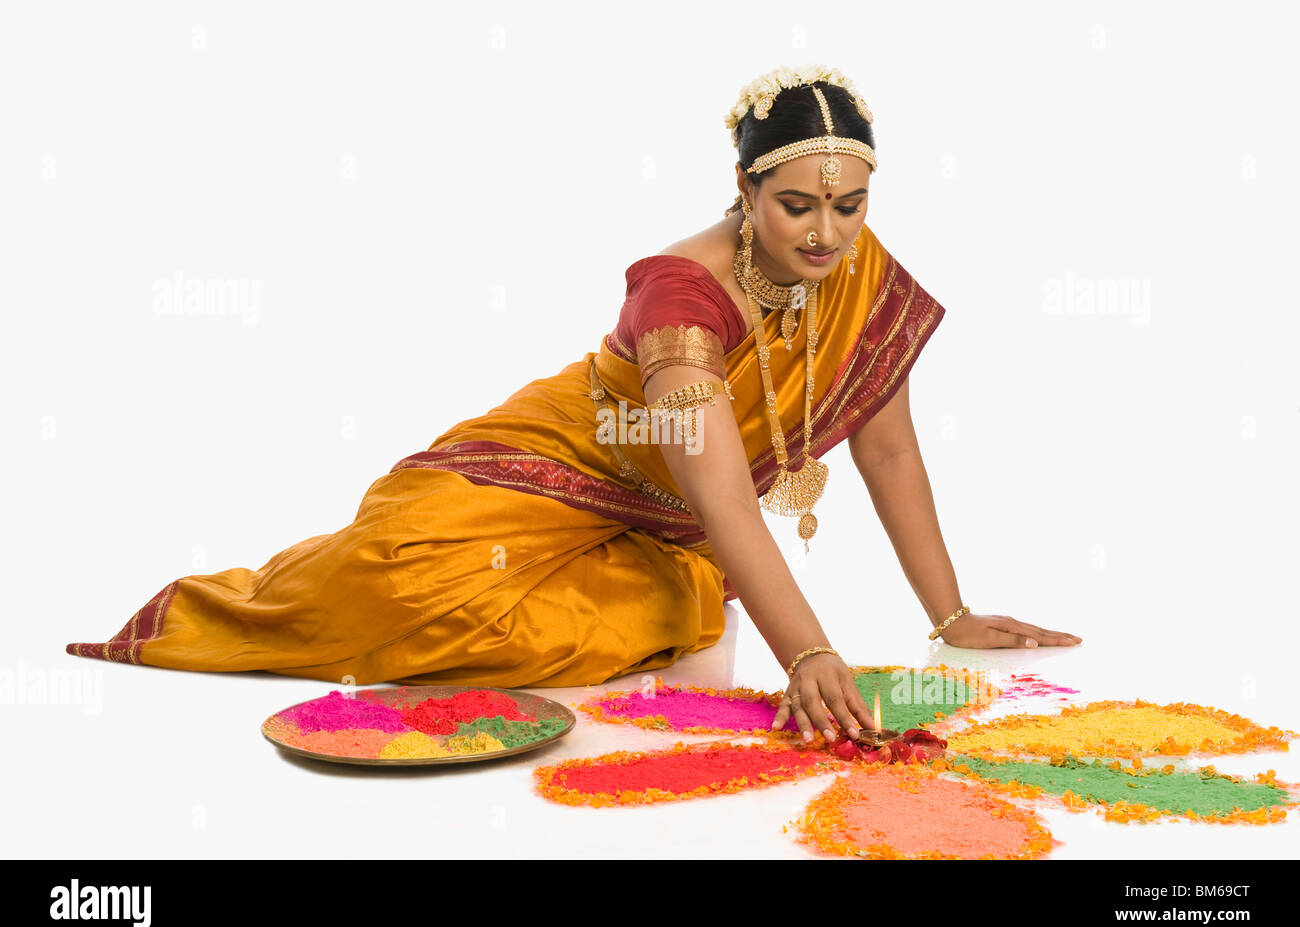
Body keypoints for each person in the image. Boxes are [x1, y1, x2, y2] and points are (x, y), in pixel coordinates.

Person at [66, 64, 1080, 746]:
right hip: (554, 464)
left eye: (848, 208)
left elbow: (889, 452)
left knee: (645, 590)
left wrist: (948, 613)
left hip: (677, 521)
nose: (826, 236)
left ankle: (681, 587)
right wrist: (807, 651)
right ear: (743, 187)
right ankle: (220, 612)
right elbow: (726, 493)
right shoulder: (679, 295)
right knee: (395, 574)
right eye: (797, 206)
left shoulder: (858, 277)